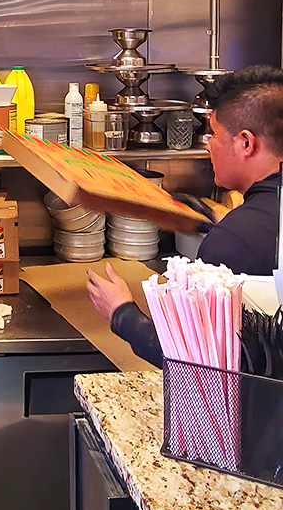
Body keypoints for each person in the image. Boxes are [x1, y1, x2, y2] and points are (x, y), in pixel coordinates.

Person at [86, 66, 283, 368]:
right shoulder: (249, 226)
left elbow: (197, 365)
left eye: (213, 134)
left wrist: (121, 312)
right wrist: (227, 221)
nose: (208, 144)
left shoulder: (232, 242)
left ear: (246, 143)